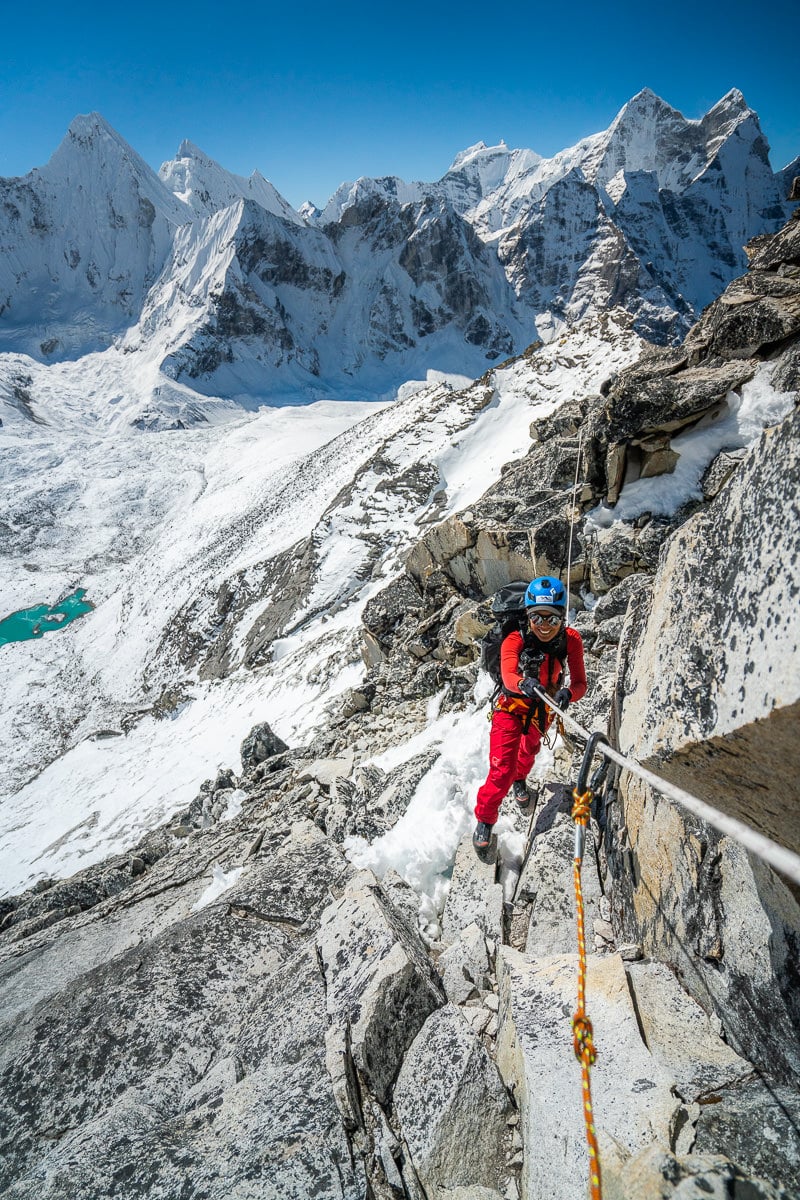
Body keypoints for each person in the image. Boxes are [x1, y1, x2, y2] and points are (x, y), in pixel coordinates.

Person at [473, 575, 587, 859]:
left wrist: (567, 695)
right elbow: (509, 674)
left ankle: (520, 781)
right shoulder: (515, 638)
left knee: (530, 750)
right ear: (528, 616)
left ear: (563, 617)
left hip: (542, 708)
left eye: (552, 619)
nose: (545, 627)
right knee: (501, 768)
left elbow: (580, 684)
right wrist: (524, 683)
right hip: (510, 708)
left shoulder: (570, 640)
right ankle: (485, 820)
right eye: (537, 618)